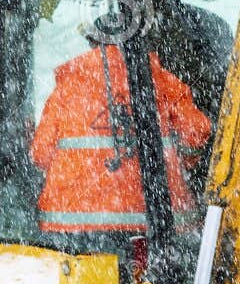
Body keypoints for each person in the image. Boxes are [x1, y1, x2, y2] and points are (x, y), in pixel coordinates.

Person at [30, 39, 210, 236]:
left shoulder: (69, 86)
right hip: (155, 226)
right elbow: (196, 135)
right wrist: (177, 163)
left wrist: (82, 170)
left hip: (72, 226)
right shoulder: (163, 81)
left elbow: (41, 154)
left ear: (93, 41)